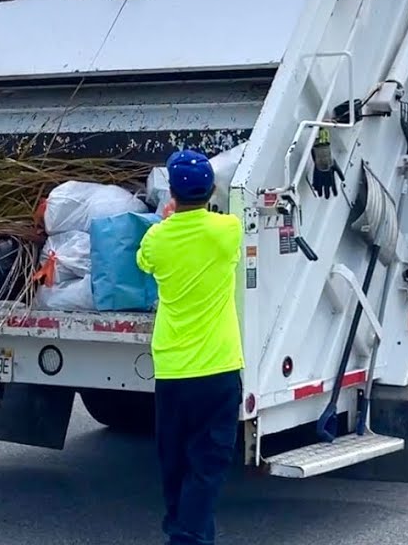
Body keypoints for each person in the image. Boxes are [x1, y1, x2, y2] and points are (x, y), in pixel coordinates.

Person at [136, 149, 245, 545]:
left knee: (175, 463)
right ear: (211, 189)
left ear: (172, 194)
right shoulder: (227, 230)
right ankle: (186, 538)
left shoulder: (156, 239)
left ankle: (184, 533)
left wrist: (167, 221)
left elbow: (143, 263)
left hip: (172, 371)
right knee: (208, 464)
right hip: (218, 369)